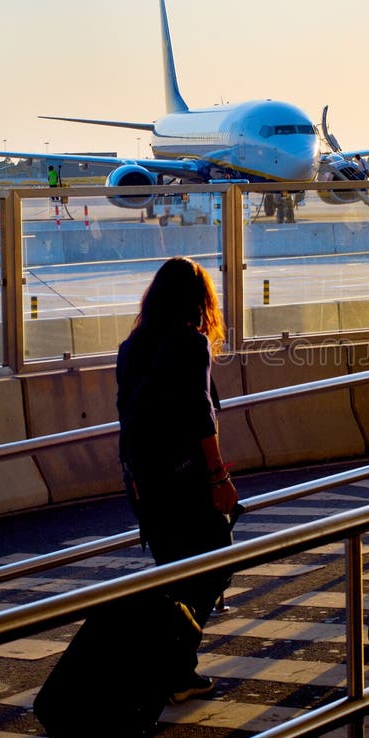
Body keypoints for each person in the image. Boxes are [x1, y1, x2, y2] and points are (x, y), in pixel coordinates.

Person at [116, 256, 239, 703]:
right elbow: (200, 416)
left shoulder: (131, 346)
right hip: (185, 475)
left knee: (173, 569)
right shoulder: (191, 343)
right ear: (199, 299)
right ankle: (173, 663)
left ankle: (171, 665)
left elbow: (124, 413)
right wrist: (219, 476)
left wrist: (133, 476)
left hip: (144, 478)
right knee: (214, 565)